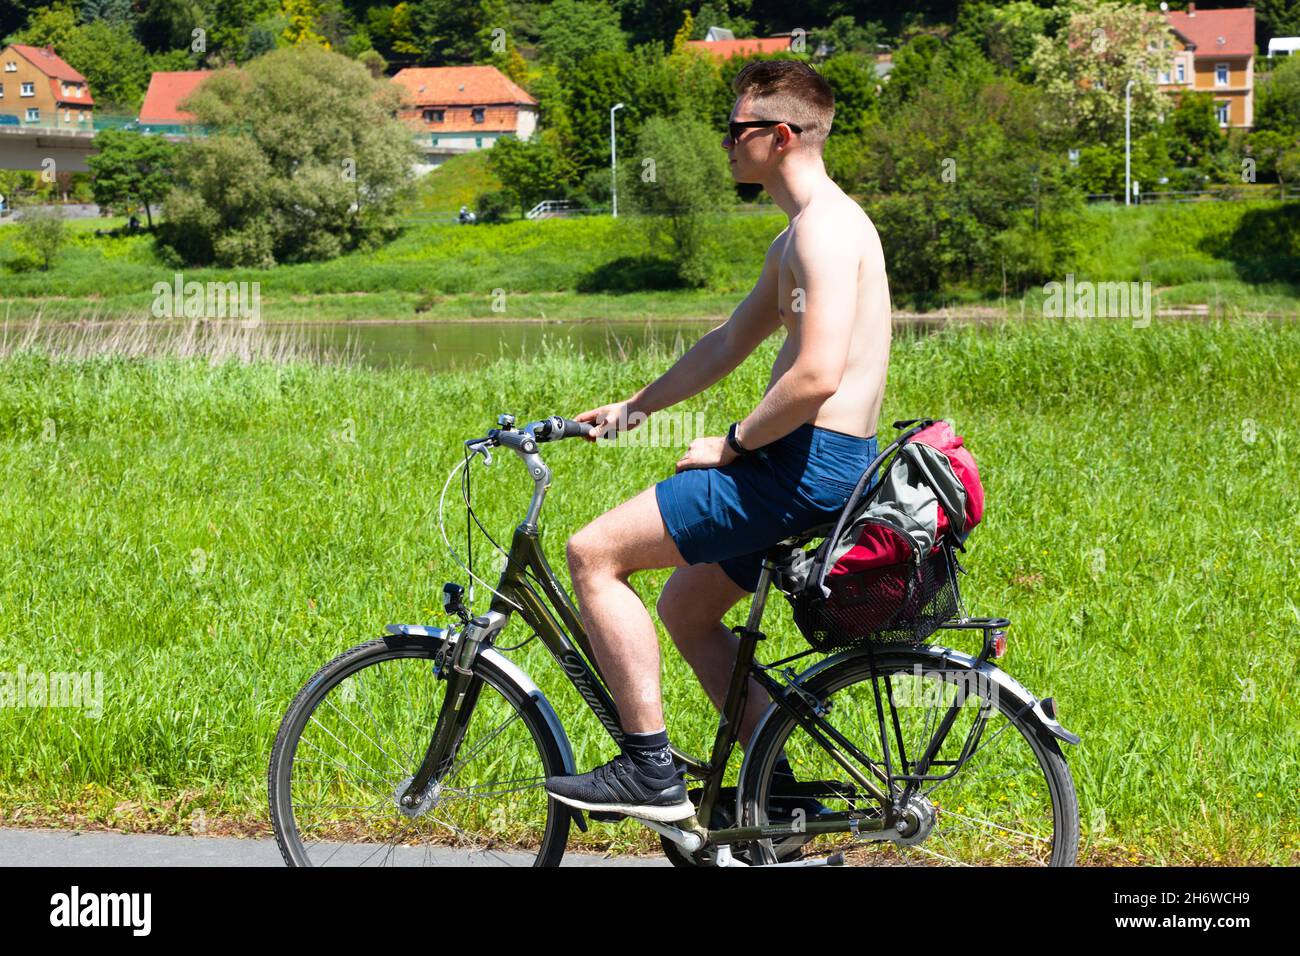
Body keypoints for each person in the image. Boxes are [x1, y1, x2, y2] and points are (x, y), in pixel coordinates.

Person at [543, 60, 894, 822]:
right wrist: (636, 407)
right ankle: (781, 791)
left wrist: (731, 446)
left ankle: (648, 772)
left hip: (802, 467)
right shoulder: (801, 235)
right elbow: (729, 340)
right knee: (687, 611)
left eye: (736, 130)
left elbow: (815, 376)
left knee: (592, 554)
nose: (726, 143)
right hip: (817, 463)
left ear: (780, 135)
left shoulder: (825, 236)